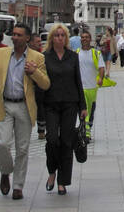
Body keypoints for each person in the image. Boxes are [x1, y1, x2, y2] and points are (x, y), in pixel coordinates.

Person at [0, 22, 49, 201]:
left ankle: (18, 186)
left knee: (22, 149)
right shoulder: (2, 54)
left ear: (27, 38)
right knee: (2, 144)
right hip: (5, 104)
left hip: (24, 107)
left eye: (19, 35)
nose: (15, 37)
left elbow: (45, 84)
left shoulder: (37, 57)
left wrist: (34, 72)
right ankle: (5, 171)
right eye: (14, 34)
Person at [41, 23, 85, 195]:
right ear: (52, 38)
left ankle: (62, 181)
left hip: (70, 103)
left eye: (62, 35)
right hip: (51, 103)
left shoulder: (72, 57)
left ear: (66, 38)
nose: (60, 38)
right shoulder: (45, 57)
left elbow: (78, 81)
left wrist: (83, 106)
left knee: (67, 142)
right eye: (57, 35)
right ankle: (52, 171)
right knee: (52, 139)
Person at [73, 34, 106, 140]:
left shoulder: (96, 53)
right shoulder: (75, 53)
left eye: (87, 37)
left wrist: (100, 78)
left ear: (90, 39)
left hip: (92, 87)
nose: (84, 39)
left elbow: (101, 67)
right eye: (82, 37)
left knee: (91, 111)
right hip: (79, 88)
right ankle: (85, 133)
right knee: (82, 109)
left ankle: (87, 128)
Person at [30, 30, 49, 140]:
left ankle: (41, 130)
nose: (40, 43)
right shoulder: (26, 54)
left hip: (39, 86)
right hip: (29, 86)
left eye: (40, 41)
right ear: (31, 42)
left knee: (41, 108)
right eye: (37, 41)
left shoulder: (42, 55)